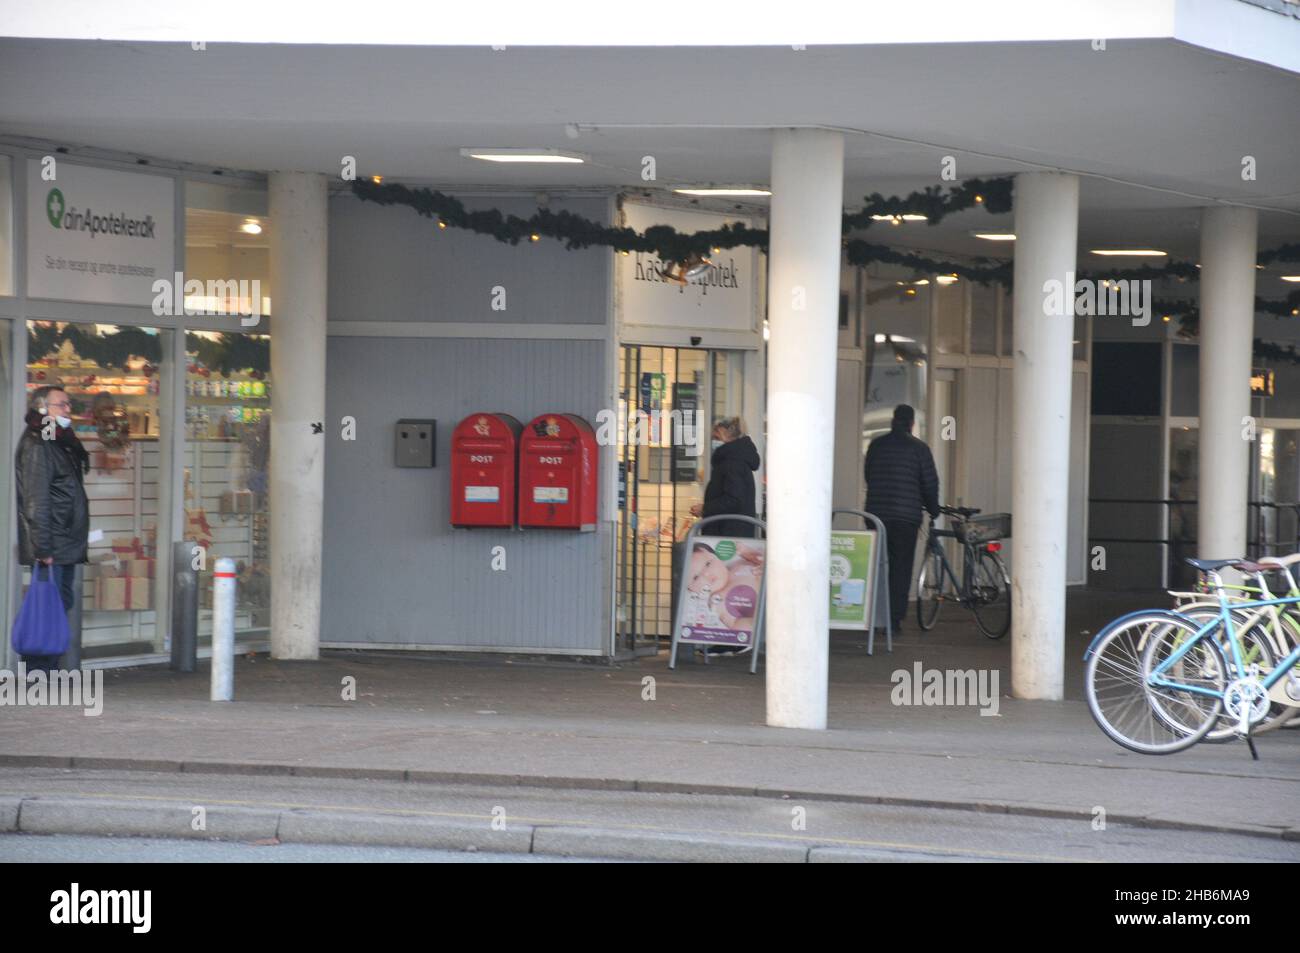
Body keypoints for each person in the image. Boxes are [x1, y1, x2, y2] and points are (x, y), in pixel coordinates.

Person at [15, 385, 90, 674]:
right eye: (62, 405)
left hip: (64, 540)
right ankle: (38, 672)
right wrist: (43, 547)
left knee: (59, 604)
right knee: (48, 606)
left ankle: (47, 670)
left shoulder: (55, 439)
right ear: (43, 409)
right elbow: (37, 499)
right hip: (53, 543)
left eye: (68, 404)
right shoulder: (39, 443)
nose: (68, 410)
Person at [863, 404, 939, 631]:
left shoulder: (876, 445)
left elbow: (869, 475)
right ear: (912, 423)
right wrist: (933, 509)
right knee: (900, 567)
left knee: (878, 565)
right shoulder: (919, 449)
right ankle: (893, 620)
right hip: (906, 518)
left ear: (893, 420)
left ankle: (874, 616)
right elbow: (929, 483)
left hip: (876, 514)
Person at [689, 416, 760, 538]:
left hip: (727, 537)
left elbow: (734, 500)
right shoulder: (737, 460)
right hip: (732, 533)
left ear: (728, 437)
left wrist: (705, 508)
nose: (713, 442)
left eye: (717, 438)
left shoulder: (732, 463)